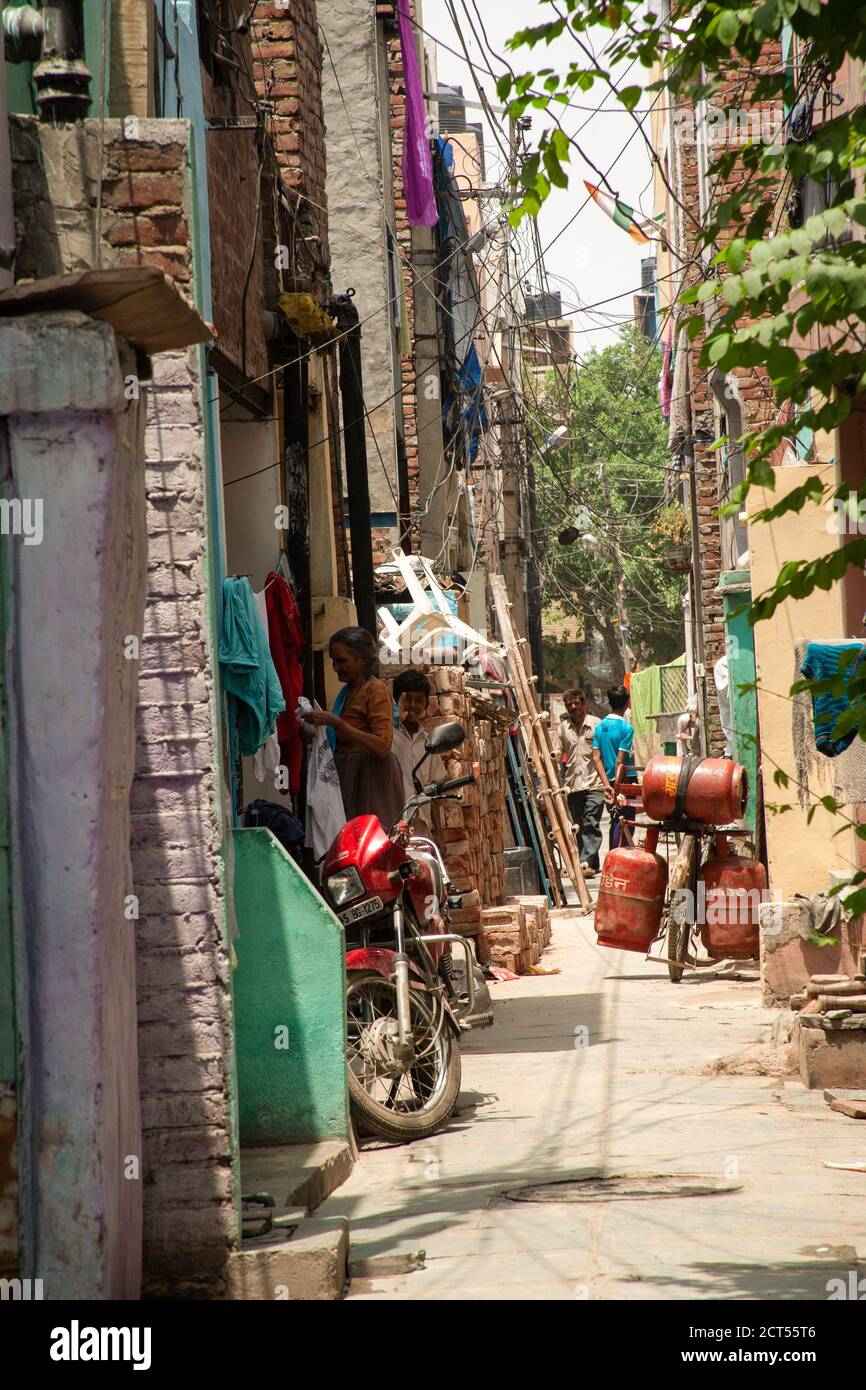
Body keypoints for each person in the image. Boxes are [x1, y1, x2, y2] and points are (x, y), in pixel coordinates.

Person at [300, 626, 405, 826]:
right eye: (333, 660)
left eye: (341, 661)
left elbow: (382, 745)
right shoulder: (349, 690)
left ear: (363, 658)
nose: (335, 667)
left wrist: (336, 723)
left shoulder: (375, 690)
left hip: (371, 781)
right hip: (349, 777)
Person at [391, 669, 446, 838]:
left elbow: (433, 788)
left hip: (422, 826)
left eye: (419, 700)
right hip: (393, 823)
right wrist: (395, 719)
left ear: (426, 705)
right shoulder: (387, 736)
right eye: (407, 699)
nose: (413, 705)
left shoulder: (429, 742)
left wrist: (440, 836)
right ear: (397, 700)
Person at [558, 687, 603, 877]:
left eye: (577, 703)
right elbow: (557, 753)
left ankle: (584, 863)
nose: (573, 707)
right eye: (570, 704)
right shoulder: (563, 728)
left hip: (595, 784)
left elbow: (604, 754)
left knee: (591, 821)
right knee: (579, 826)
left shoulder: (596, 725)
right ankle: (593, 864)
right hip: (573, 784)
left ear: (584, 704)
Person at [592, 685, 636, 850]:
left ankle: (613, 857)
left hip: (608, 780)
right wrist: (619, 787)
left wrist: (607, 785)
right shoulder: (626, 728)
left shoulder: (600, 727)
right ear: (626, 704)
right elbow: (620, 761)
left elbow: (596, 758)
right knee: (625, 821)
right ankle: (620, 858)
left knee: (615, 819)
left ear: (610, 702)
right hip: (624, 779)